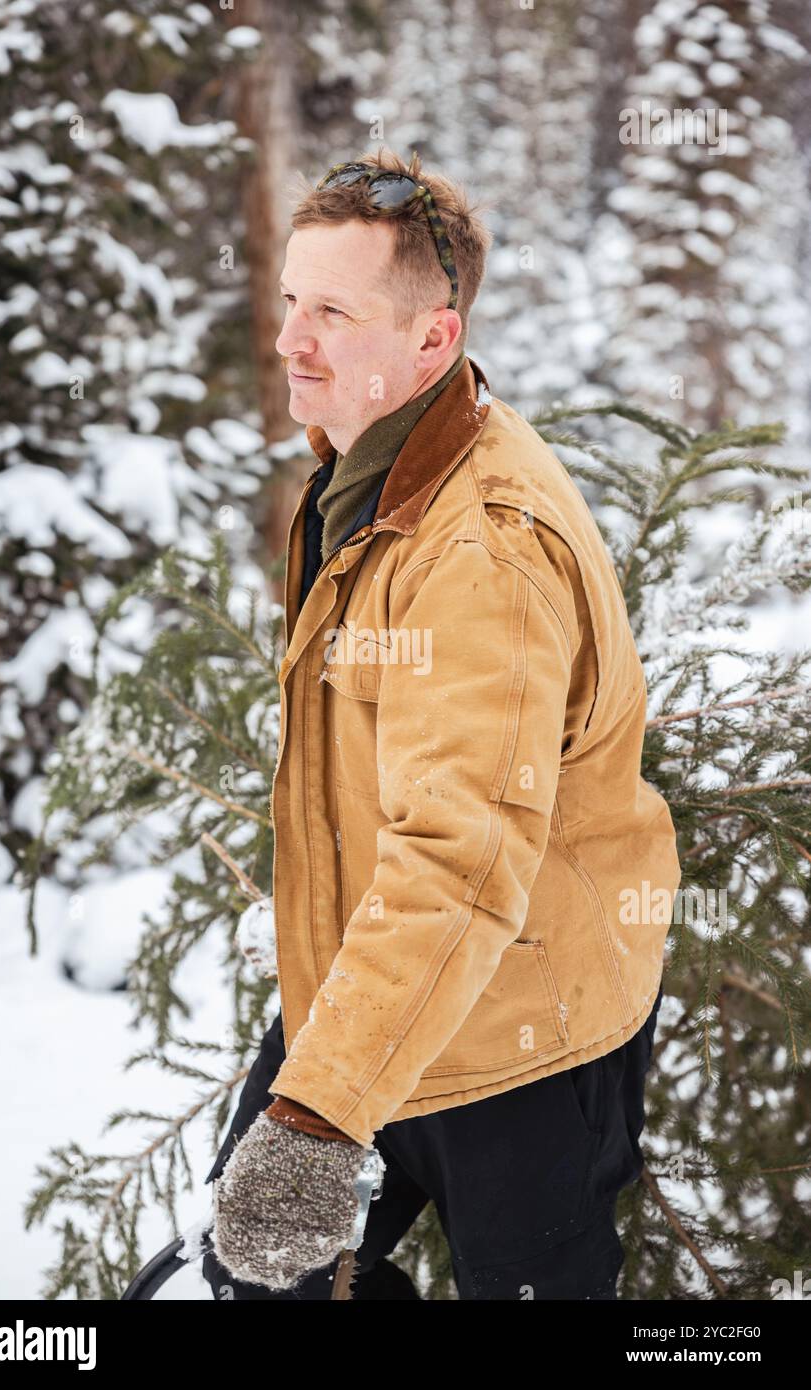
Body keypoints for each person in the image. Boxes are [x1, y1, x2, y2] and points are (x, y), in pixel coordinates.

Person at [204, 147, 681, 1300]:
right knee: (254, 1272)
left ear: (434, 340)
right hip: (377, 982)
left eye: (332, 311)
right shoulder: (371, 464)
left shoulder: (482, 553)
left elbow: (459, 860)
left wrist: (315, 1117)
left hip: (520, 1038)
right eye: (288, 303)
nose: (290, 342)